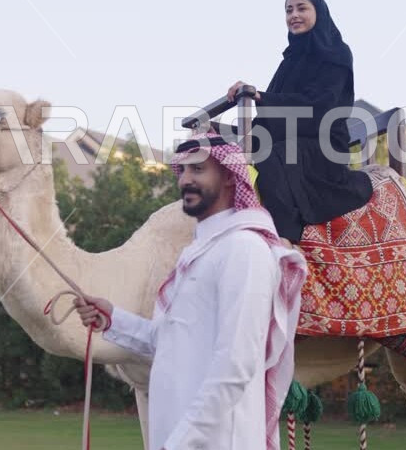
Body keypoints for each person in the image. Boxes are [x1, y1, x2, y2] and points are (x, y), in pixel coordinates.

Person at [74, 137, 307, 450]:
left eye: (198, 169)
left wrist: (180, 443)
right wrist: (112, 319)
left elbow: (236, 366)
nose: (185, 179)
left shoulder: (244, 249)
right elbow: (170, 342)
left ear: (228, 175)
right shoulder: (200, 252)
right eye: (182, 170)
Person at [226, 0, 374, 243]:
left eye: (301, 8)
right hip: (291, 139)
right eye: (288, 10)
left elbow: (321, 108)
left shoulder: (336, 53)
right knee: (231, 151)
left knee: (270, 155)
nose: (293, 15)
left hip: (324, 144)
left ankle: (285, 237)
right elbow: (273, 111)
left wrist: (261, 97)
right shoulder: (290, 60)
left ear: (319, 11)